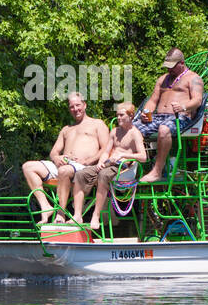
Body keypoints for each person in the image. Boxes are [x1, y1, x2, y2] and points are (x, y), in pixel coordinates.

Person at [21, 91, 109, 224]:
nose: (75, 109)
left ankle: (60, 214)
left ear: (84, 105)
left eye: (78, 105)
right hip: (64, 166)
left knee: (64, 171)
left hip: (84, 168)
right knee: (28, 166)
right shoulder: (66, 129)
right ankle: (45, 207)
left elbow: (106, 149)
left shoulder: (97, 124)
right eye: (72, 107)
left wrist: (88, 161)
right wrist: (57, 158)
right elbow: (54, 152)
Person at [134, 47, 203, 183]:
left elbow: (197, 100)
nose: (169, 70)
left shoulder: (193, 78)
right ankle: (131, 166)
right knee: (131, 129)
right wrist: (146, 113)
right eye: (167, 66)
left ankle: (157, 171)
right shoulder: (163, 79)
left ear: (181, 63)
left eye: (172, 67)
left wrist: (183, 106)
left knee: (164, 129)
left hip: (180, 118)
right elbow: (153, 100)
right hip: (158, 117)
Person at [74, 102, 148, 228]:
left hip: (125, 169)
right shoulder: (114, 132)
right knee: (81, 174)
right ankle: (77, 214)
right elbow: (106, 152)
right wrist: (101, 162)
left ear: (130, 116)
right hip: (110, 165)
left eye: (121, 115)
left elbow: (143, 157)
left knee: (103, 175)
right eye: (117, 115)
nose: (118, 118)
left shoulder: (135, 133)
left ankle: (96, 216)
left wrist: (124, 156)